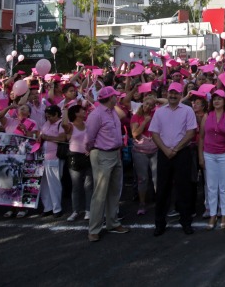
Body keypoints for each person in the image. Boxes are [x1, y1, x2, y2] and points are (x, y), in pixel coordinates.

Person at [151, 81, 198, 236]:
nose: (172, 96)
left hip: (181, 153)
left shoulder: (187, 111)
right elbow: (154, 133)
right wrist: (165, 150)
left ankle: (186, 221)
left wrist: (176, 149)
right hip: (164, 153)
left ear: (180, 95)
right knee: (162, 189)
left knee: (184, 188)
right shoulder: (159, 112)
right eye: (171, 93)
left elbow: (191, 132)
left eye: (176, 93)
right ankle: (159, 223)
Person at [84, 86, 130, 241]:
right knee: (100, 192)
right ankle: (94, 229)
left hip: (115, 153)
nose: (117, 98)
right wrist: (92, 149)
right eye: (115, 96)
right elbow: (89, 137)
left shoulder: (112, 112)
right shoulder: (96, 114)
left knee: (114, 191)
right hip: (102, 154)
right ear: (110, 98)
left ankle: (112, 222)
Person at [201, 89, 225, 230]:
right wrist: (201, 157)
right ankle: (213, 214)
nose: (216, 101)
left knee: (224, 185)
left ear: (224, 101)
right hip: (209, 154)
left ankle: (224, 214)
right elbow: (201, 137)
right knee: (211, 186)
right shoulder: (206, 116)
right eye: (214, 99)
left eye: (219, 99)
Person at [130, 94, 159, 217]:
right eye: (147, 104)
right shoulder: (136, 116)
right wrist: (145, 122)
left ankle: (159, 201)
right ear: (142, 103)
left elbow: (166, 102)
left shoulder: (156, 114)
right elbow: (135, 134)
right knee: (143, 179)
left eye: (151, 105)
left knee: (157, 178)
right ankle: (142, 203)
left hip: (155, 150)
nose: (148, 107)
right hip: (140, 151)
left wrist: (155, 99)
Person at [39, 104, 68, 217]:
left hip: (54, 157)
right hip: (43, 157)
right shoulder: (46, 123)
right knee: (44, 184)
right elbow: (41, 134)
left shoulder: (60, 124)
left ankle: (57, 208)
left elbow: (62, 138)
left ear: (56, 114)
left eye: (50, 116)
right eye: (47, 116)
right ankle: (47, 207)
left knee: (54, 183)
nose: (48, 118)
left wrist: (47, 138)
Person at [66, 105, 92, 222]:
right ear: (76, 113)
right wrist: (65, 109)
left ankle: (88, 210)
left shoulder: (88, 124)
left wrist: (91, 149)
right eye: (82, 110)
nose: (84, 111)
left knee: (89, 185)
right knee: (76, 186)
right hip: (75, 158)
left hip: (87, 157)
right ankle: (75, 210)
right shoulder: (70, 126)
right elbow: (64, 124)